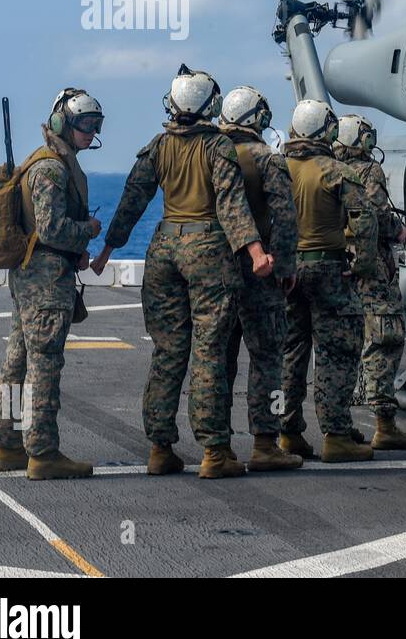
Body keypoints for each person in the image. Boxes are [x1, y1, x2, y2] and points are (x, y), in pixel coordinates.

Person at [93, 66, 273, 479]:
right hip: (208, 252)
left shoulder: (157, 146)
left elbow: (132, 200)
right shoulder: (219, 147)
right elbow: (231, 205)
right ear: (211, 105)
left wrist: (107, 249)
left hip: (164, 250)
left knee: (168, 350)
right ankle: (214, 452)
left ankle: (160, 447)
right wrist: (257, 250)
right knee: (209, 352)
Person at [0, 88, 104, 480]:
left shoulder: (44, 163)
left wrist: (76, 249)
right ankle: (42, 453)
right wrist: (87, 231)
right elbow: (51, 228)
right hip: (45, 280)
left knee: (18, 359)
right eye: (84, 125)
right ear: (62, 123)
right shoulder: (52, 169)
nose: (90, 133)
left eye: (95, 125)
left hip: (30, 275)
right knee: (44, 365)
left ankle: (6, 445)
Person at [278, 99, 374, 463]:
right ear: (328, 132)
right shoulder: (336, 171)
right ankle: (336, 435)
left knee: (291, 352)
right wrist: (362, 265)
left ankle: (288, 433)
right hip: (329, 271)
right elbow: (363, 219)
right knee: (336, 353)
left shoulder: (279, 167)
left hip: (288, 273)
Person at [217, 86, 303, 471]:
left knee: (217, 360)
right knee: (267, 359)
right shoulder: (267, 159)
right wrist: (284, 268)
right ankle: (265, 443)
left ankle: (217, 445)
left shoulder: (211, 155)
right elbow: (284, 219)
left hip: (216, 273)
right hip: (260, 271)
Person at [334, 114, 406, 449]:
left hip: (336, 266)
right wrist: (398, 230)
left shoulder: (325, 167)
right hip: (370, 270)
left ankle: (338, 424)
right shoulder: (368, 171)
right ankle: (384, 424)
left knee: (340, 344)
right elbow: (377, 215)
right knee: (385, 338)